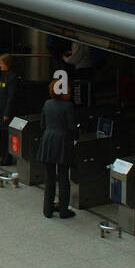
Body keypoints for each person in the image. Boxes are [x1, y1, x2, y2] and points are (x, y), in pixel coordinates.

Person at [37, 79, 78, 219]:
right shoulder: (68, 106)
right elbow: (72, 126)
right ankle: (63, 210)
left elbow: (42, 124)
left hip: (48, 142)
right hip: (63, 143)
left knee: (49, 178)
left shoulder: (47, 104)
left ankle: (47, 210)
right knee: (63, 177)